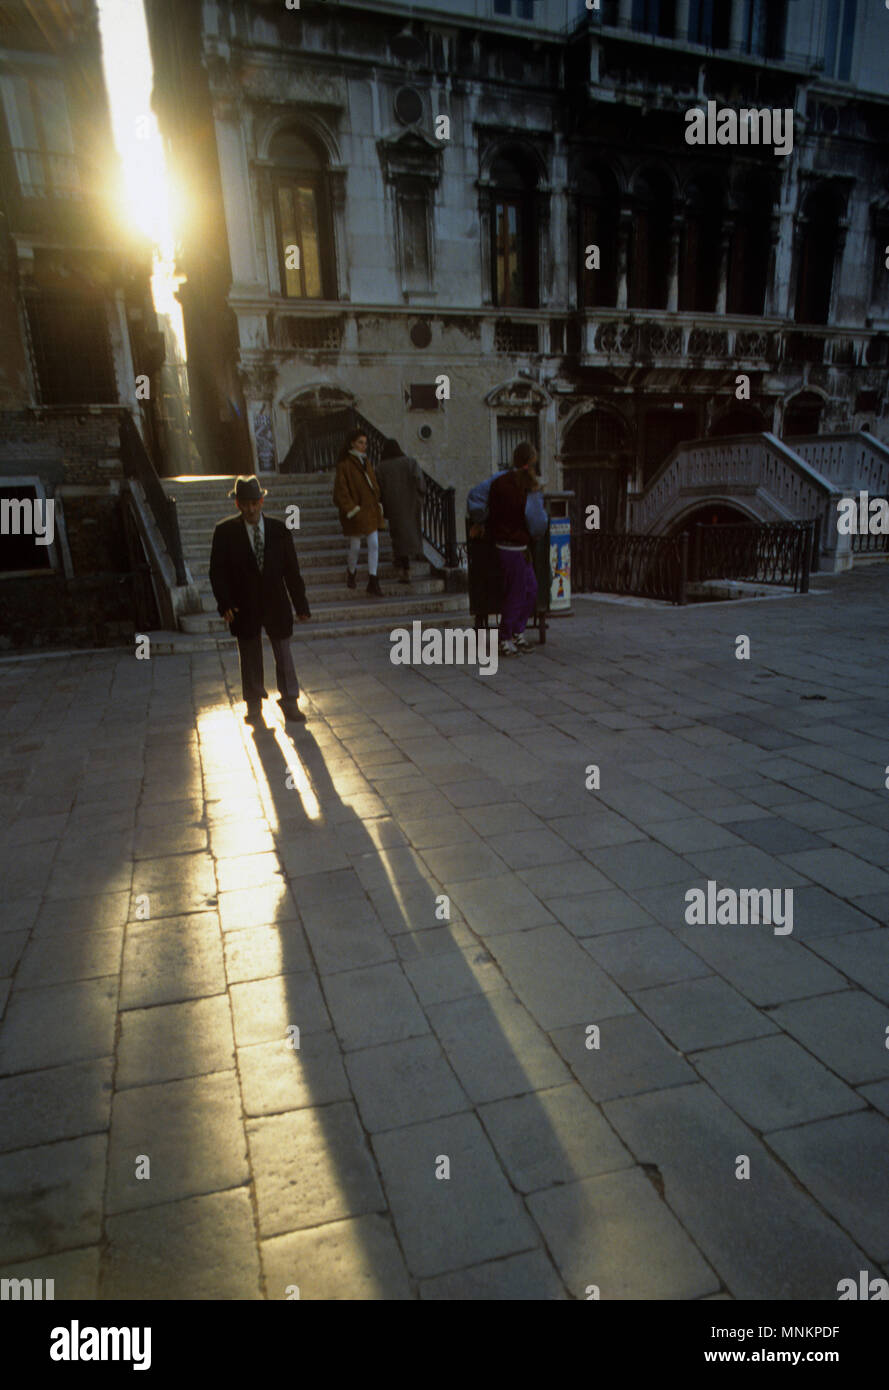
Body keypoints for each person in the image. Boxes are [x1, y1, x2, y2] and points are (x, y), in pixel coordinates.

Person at [209, 474, 311, 725]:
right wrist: (224, 603)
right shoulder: (225, 532)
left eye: (255, 502)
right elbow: (217, 572)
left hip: (276, 601)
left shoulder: (279, 529)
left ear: (262, 501)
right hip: (244, 604)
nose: (251, 508)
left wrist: (301, 605)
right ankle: (254, 705)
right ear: (238, 505)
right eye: (245, 503)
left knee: (284, 654)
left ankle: (290, 701)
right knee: (250, 655)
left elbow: (292, 570)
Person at [487, 442, 547, 656]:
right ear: (531, 461)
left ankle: (515, 632)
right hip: (516, 545)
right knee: (521, 592)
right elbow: (537, 521)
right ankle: (506, 637)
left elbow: (487, 507)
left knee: (529, 588)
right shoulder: (530, 486)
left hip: (507, 544)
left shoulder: (499, 482)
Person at [332, 428, 385, 596]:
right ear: (352, 443)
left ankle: (373, 579)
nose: (364, 446)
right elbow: (340, 491)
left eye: (365, 443)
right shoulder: (345, 465)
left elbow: (373, 483)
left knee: (374, 544)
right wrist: (352, 509)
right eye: (361, 442)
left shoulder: (366, 462)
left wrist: (376, 497)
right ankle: (351, 571)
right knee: (355, 546)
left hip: (370, 509)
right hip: (356, 511)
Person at [375, 438, 425, 583]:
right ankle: (405, 564)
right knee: (409, 533)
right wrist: (418, 499)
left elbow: (378, 490)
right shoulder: (410, 462)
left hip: (393, 505)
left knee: (398, 535)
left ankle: (405, 568)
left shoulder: (381, 467)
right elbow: (420, 482)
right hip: (410, 504)